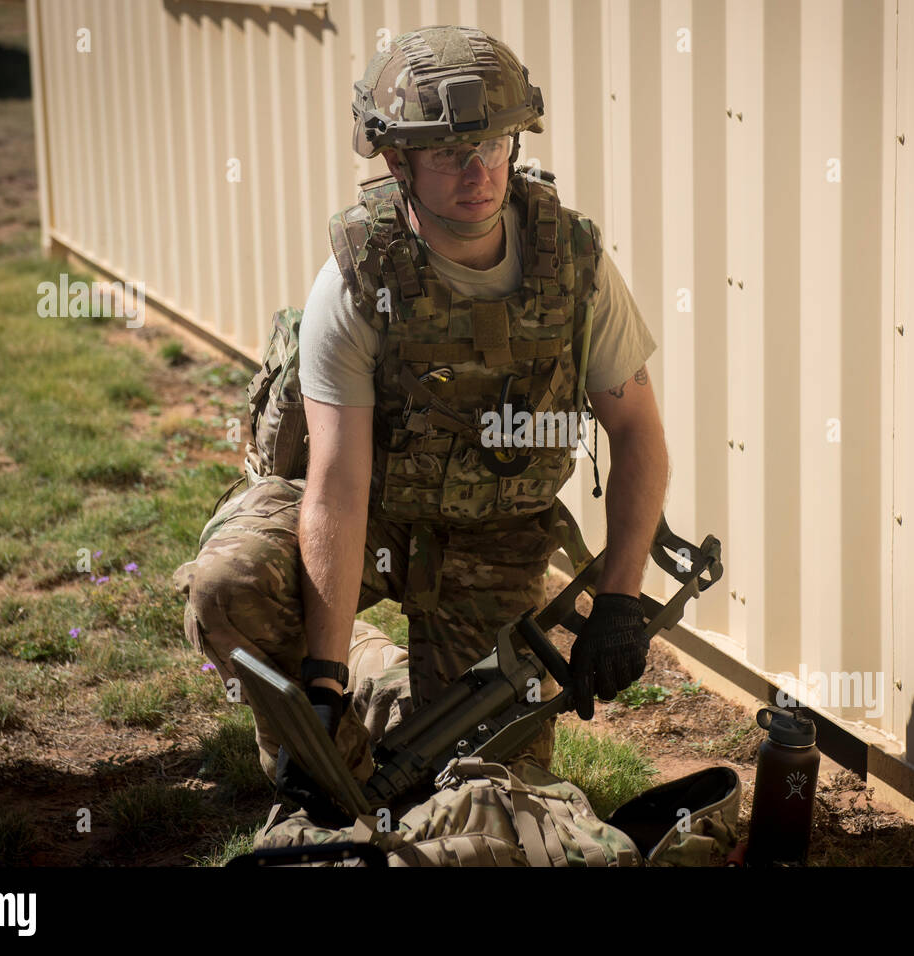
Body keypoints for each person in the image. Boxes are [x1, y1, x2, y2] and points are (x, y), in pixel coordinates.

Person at [175, 25, 669, 806]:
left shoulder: (572, 263)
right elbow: (336, 485)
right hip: (369, 515)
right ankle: (327, 748)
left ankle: (383, 680)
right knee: (229, 586)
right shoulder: (356, 280)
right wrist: (322, 687)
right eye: (446, 153)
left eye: (494, 145)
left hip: (493, 536)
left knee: (489, 779)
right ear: (396, 160)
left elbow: (638, 433)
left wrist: (619, 598)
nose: (478, 172)